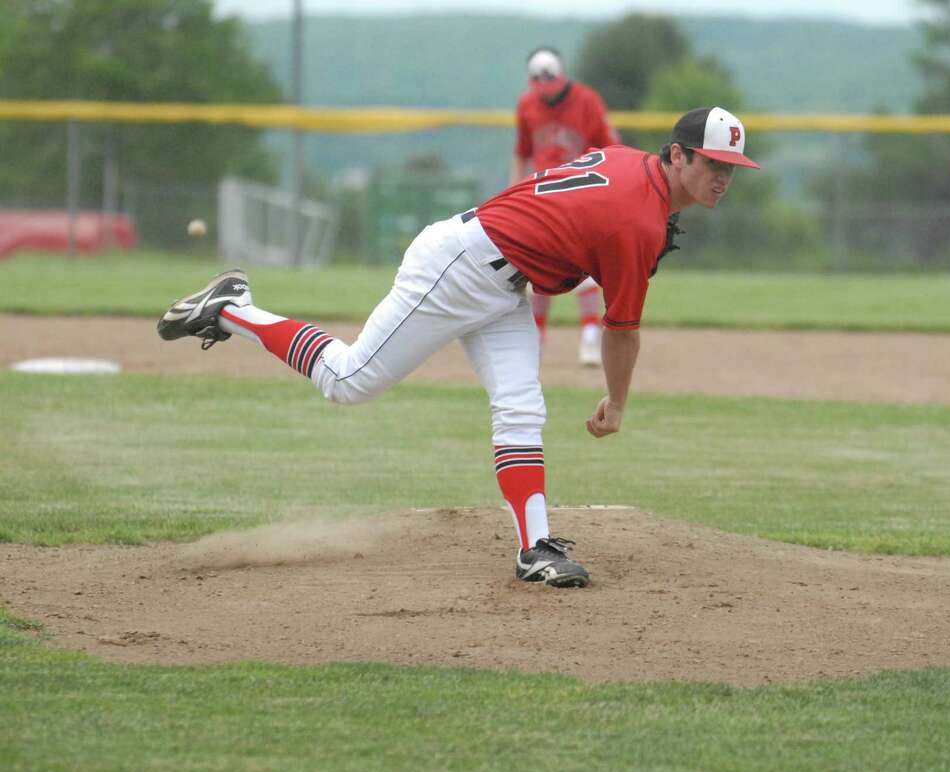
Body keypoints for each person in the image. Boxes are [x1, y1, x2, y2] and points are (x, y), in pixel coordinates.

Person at [157, 106, 759, 589]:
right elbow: (621, 328)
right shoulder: (639, 221)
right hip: (460, 268)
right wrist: (618, 402)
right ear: (677, 155)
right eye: (712, 163)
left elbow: (566, 225)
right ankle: (231, 307)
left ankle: (535, 549)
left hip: (504, 278)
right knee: (348, 380)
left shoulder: (632, 170)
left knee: (522, 405)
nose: (723, 178)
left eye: (732, 167)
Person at [513, 46, 620, 367]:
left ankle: (589, 334)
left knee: (585, 264)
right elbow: (522, 152)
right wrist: (515, 192)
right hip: (544, 193)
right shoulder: (526, 104)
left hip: (584, 192)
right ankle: (537, 336)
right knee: (540, 265)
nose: (545, 92)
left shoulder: (587, 100)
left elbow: (612, 146)